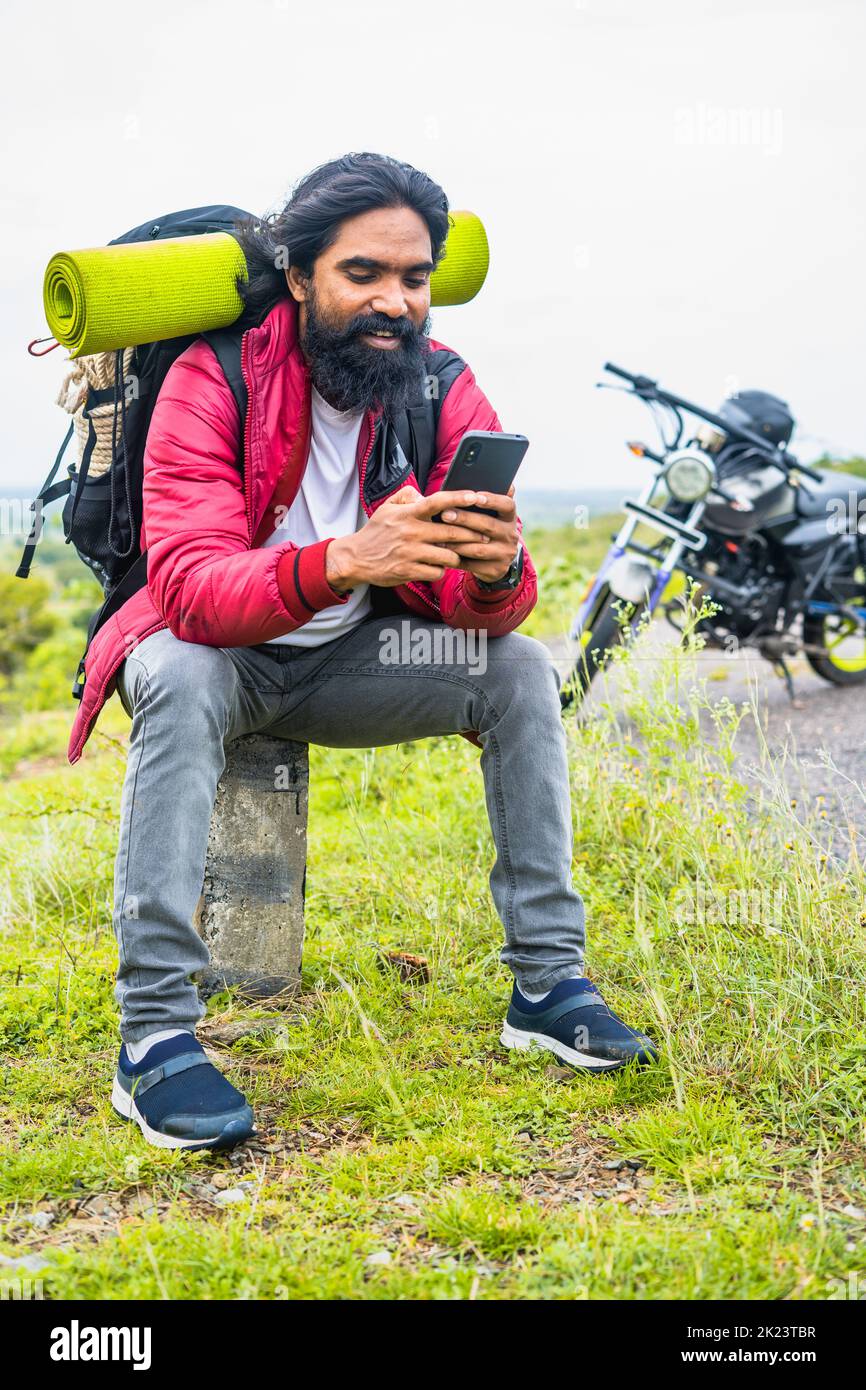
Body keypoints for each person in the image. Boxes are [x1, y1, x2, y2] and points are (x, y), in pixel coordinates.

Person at [71, 153, 657, 1151]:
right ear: (299, 276)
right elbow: (187, 590)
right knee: (175, 665)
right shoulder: (213, 379)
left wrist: (492, 570)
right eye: (362, 275)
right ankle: (156, 1035)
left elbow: (491, 609)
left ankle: (549, 984)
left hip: (345, 668)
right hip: (226, 661)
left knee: (516, 670)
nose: (395, 302)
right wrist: (341, 559)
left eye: (414, 278)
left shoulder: (435, 385)